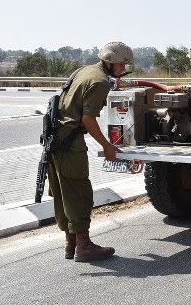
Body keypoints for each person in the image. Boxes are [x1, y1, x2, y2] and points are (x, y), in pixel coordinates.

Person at [49, 40, 133, 262]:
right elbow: (88, 119)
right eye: (121, 65)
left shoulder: (84, 71)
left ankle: (71, 244)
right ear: (110, 62)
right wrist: (108, 146)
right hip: (70, 142)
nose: (123, 69)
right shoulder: (99, 82)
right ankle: (84, 247)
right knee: (79, 192)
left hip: (54, 140)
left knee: (64, 193)